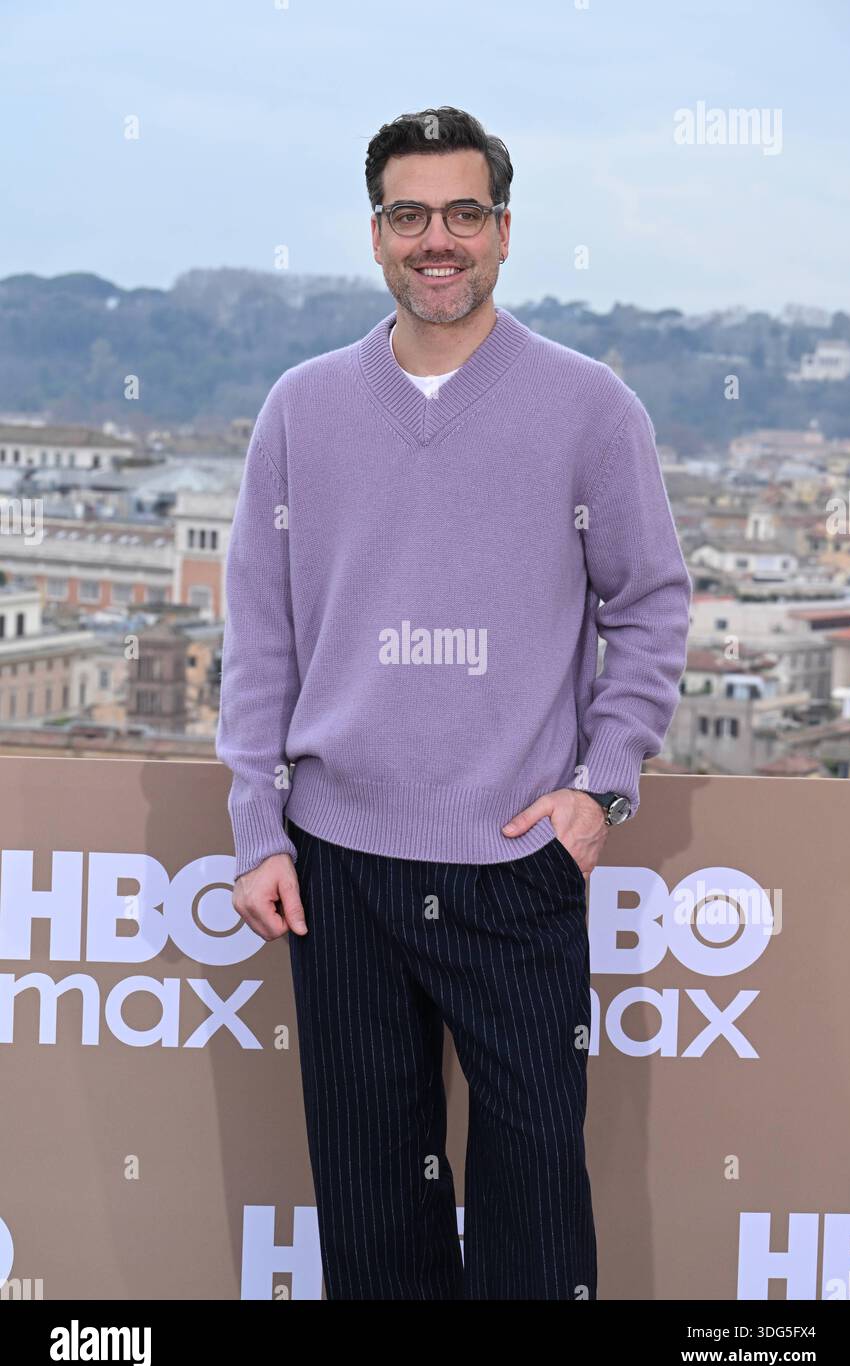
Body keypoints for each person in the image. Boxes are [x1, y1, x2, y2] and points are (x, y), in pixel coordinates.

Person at [216, 105, 692, 1300]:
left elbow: (649, 606)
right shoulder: (299, 408)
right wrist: (254, 828)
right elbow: (260, 637)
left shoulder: (590, 408)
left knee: (535, 1213)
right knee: (375, 1211)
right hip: (333, 867)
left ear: (503, 231)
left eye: (464, 214)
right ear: (375, 233)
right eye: (410, 214)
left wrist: (602, 787)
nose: (439, 239)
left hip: (515, 858)